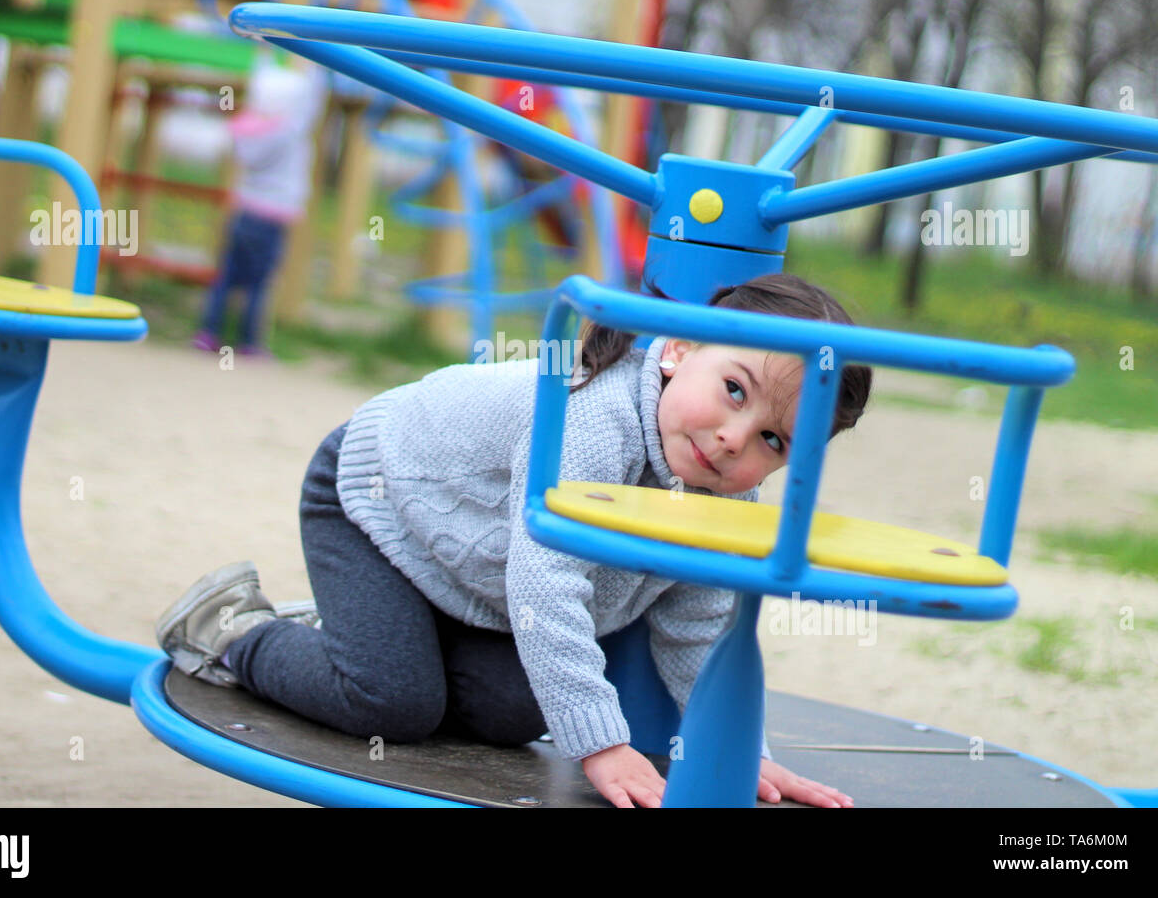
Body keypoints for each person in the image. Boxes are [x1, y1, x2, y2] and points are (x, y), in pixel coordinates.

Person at [158, 272, 873, 808]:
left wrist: (742, 746)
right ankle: (234, 626)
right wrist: (605, 746)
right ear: (678, 350)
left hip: (467, 571)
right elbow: (546, 584)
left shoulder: (725, 492)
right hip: (376, 499)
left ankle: (366, 634)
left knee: (515, 711)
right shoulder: (596, 421)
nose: (731, 438)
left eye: (771, 439)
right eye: (735, 390)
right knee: (393, 704)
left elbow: (698, 629)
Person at [193, 59, 326, 357]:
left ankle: (207, 332)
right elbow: (310, 104)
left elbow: (258, 79)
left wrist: (261, 50)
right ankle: (249, 342)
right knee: (258, 282)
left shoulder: (247, 127)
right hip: (274, 212)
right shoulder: (289, 129)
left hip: (245, 208)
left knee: (227, 275)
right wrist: (312, 68)